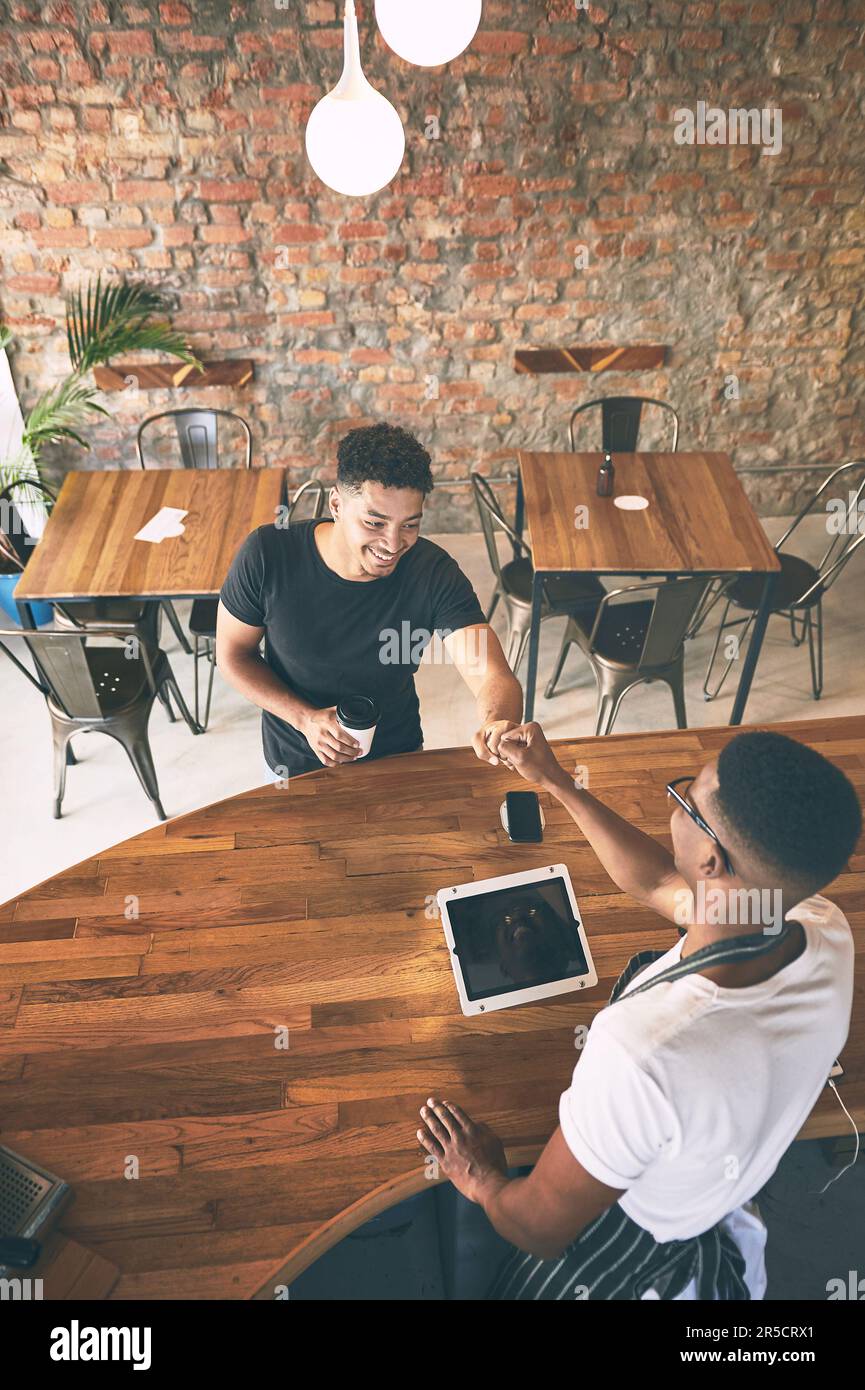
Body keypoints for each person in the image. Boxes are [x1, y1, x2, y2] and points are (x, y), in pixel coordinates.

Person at [417, 725, 862, 1300]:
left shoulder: (642, 1052)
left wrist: (481, 1180)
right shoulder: (822, 926)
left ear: (709, 857)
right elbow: (659, 882)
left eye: (686, 799)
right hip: (714, 1184)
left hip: (639, 1240)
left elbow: (538, 1227)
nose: (672, 805)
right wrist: (556, 782)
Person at [216, 423, 523, 779]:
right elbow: (232, 655)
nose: (393, 544)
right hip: (293, 762)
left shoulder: (432, 571)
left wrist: (498, 721)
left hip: (397, 758)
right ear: (336, 504)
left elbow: (491, 674)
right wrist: (305, 719)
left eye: (409, 525)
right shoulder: (268, 555)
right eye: (375, 522)